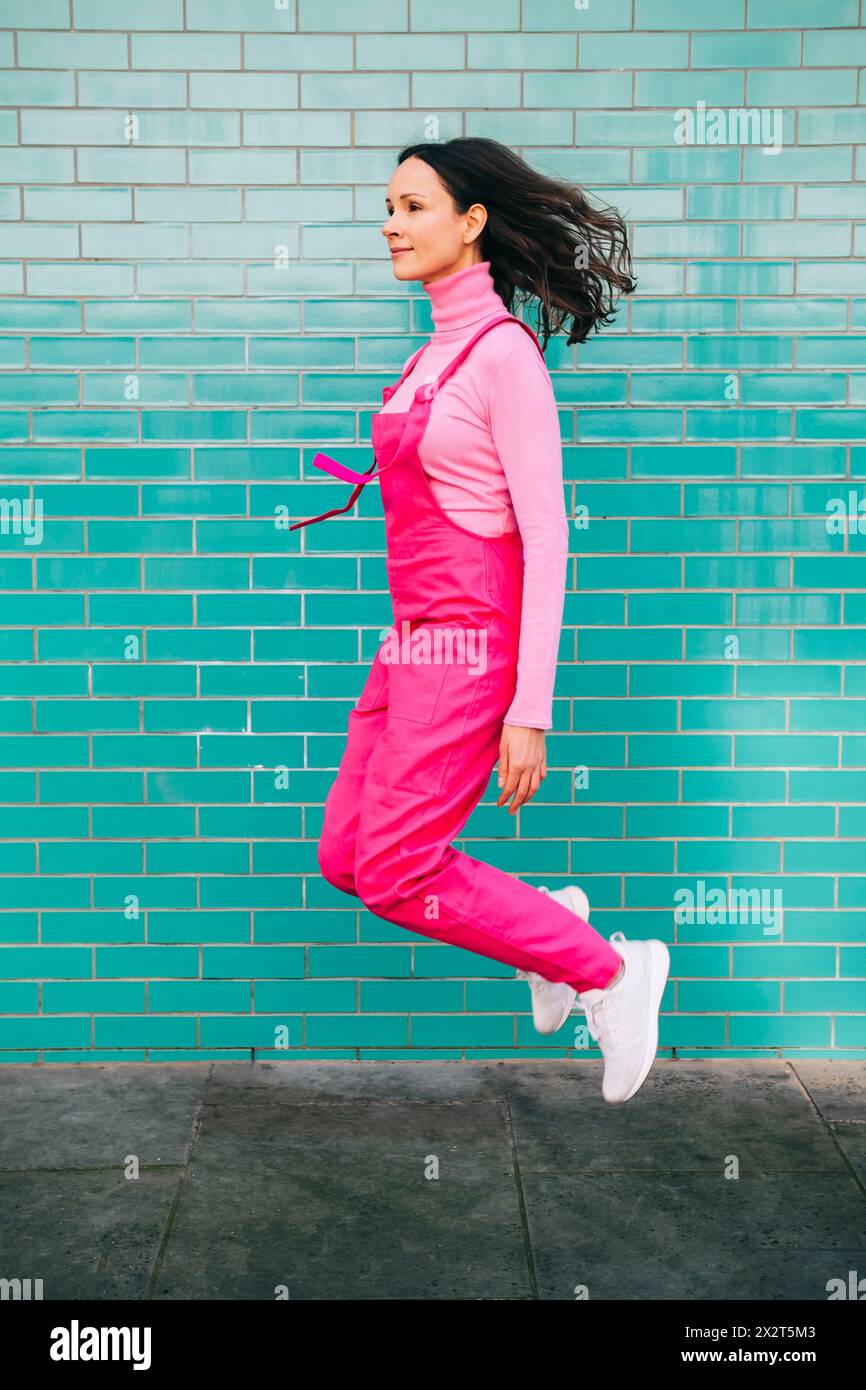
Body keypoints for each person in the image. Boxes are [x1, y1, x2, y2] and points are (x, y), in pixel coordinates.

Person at [292, 137, 669, 1105]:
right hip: (409, 648)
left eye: (413, 206)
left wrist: (526, 710)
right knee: (348, 854)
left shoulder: (502, 356)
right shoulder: (430, 354)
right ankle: (544, 925)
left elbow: (546, 540)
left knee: (393, 864)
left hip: (469, 656)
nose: (389, 222)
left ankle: (610, 973)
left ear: (471, 224)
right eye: (387, 204)